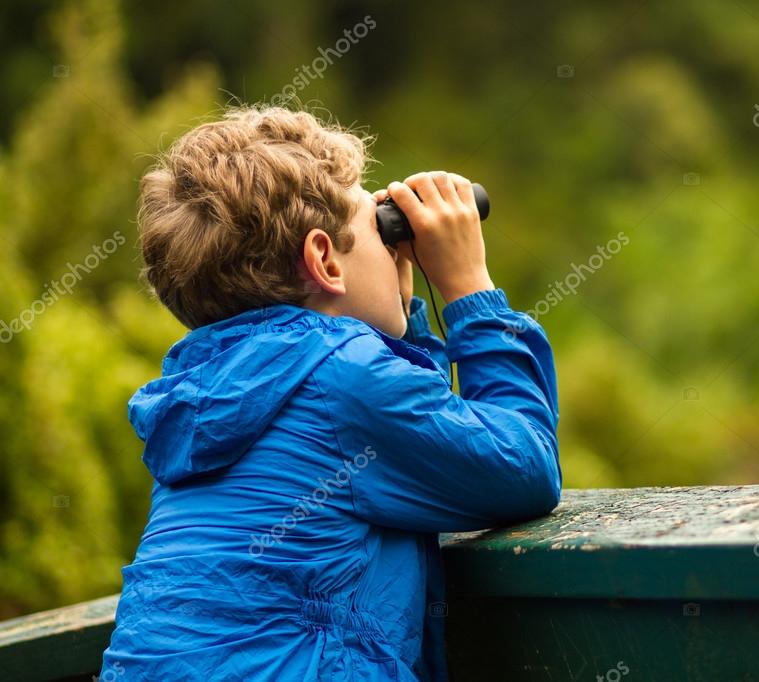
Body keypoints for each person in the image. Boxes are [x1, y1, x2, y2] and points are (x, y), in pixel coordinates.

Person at [98, 106, 561, 681]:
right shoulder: (341, 375)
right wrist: (470, 289)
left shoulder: (216, 390)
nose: (395, 246)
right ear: (323, 259)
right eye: (380, 228)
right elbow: (524, 465)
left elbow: (420, 438)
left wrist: (407, 319)